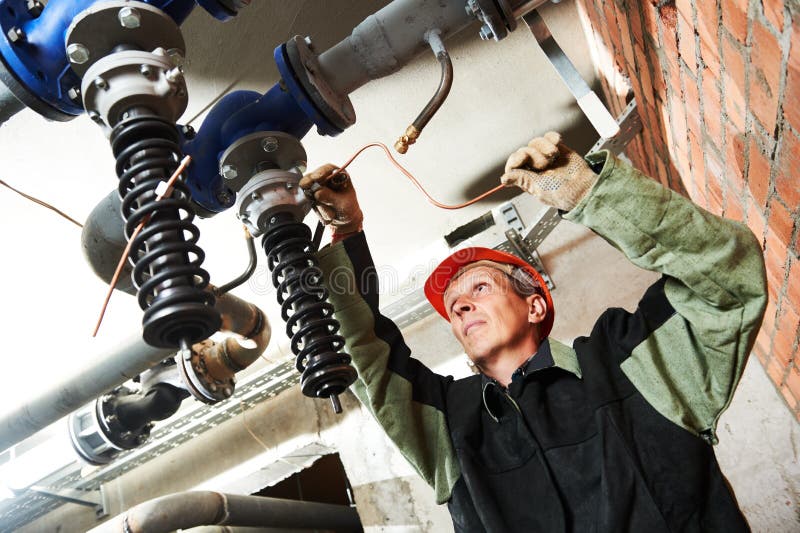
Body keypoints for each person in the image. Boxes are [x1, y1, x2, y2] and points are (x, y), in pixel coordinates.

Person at [300, 132, 767, 532]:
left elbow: (730, 280)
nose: (461, 305)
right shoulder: (448, 425)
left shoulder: (628, 362)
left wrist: (589, 193)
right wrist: (345, 232)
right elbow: (363, 357)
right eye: (454, 306)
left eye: (480, 286)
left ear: (535, 304)